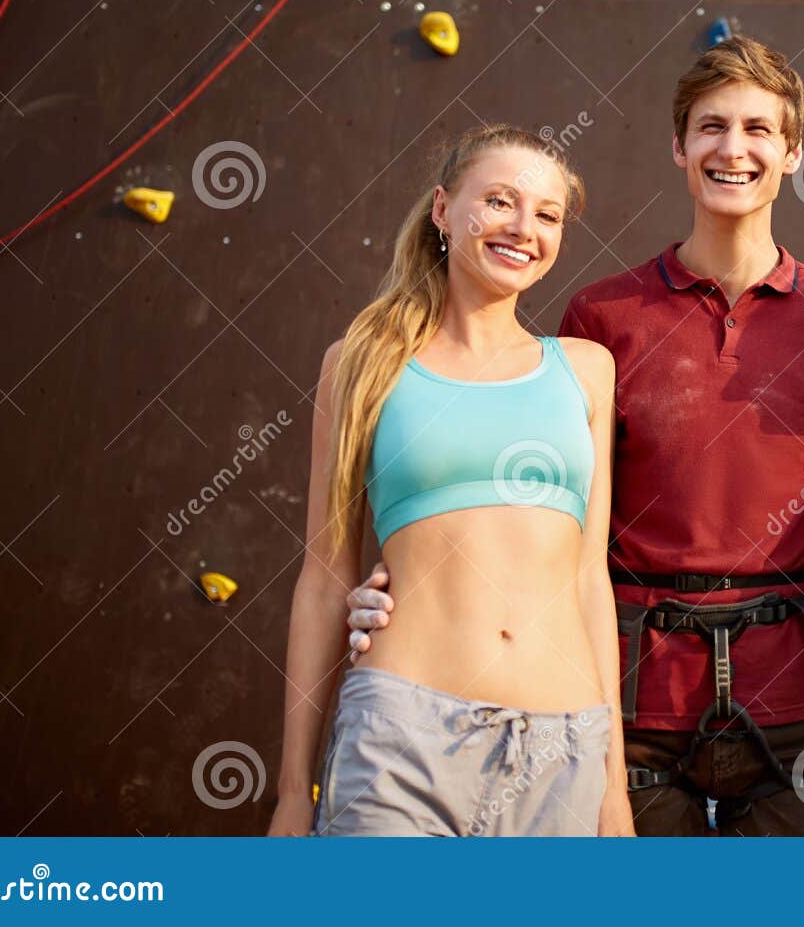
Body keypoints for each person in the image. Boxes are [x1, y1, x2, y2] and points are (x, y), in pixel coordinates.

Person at [346, 38, 804, 836]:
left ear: (793, 152)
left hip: (799, 698)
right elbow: (551, 520)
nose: (732, 148)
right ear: (679, 146)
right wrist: (414, 582)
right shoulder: (600, 320)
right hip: (640, 703)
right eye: (710, 127)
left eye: (757, 129)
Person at [267, 123, 632, 837]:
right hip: (401, 735)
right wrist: (290, 792)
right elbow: (322, 577)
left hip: (562, 750)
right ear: (442, 209)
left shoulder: (585, 370)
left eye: (548, 214)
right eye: (500, 200)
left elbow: (591, 581)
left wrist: (612, 790)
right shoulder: (362, 363)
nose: (524, 228)